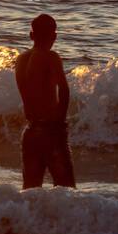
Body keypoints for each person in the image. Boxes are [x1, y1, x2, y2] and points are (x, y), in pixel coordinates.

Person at [14, 13, 76, 189]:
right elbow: (64, 90)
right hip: (51, 131)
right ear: (54, 36)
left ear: (31, 35)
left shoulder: (21, 59)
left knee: (31, 190)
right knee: (66, 189)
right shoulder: (51, 57)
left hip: (30, 132)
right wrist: (61, 123)